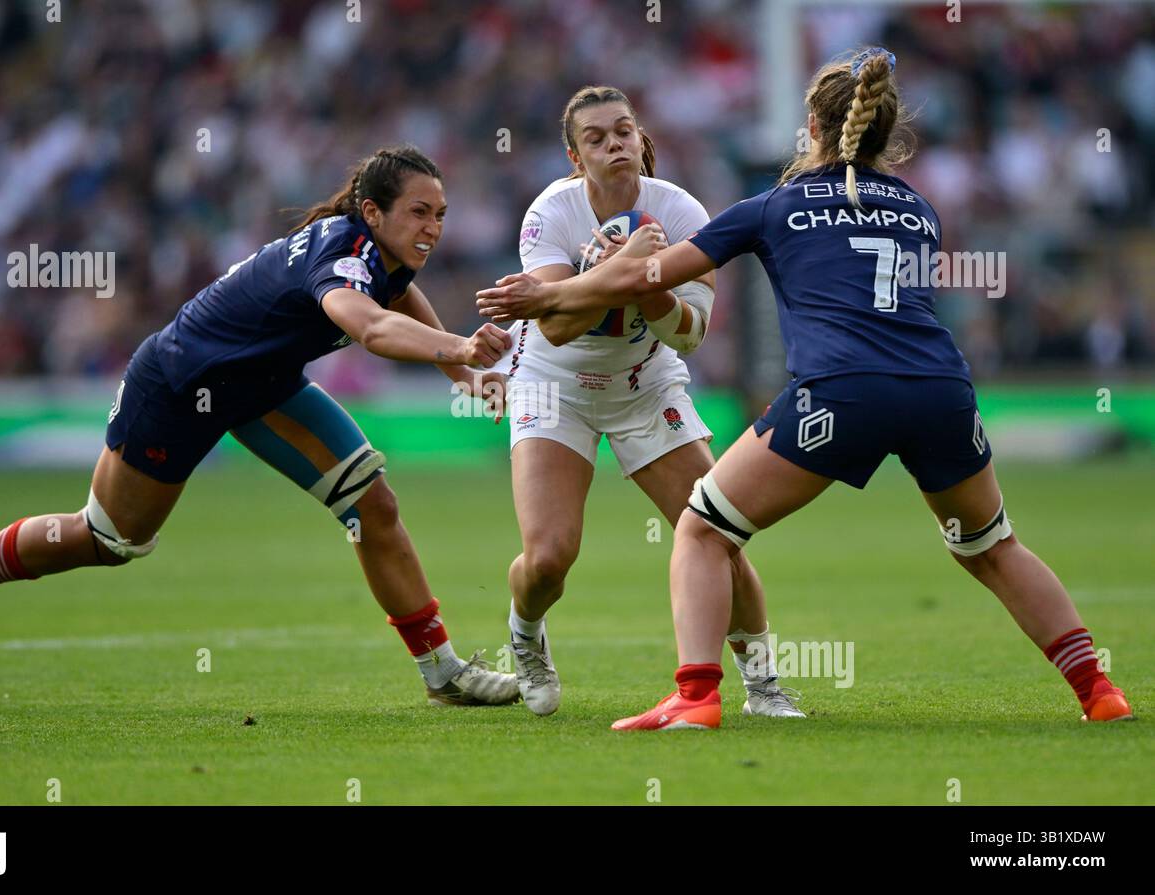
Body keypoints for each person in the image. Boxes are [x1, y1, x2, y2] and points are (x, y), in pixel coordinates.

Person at [477, 50, 1133, 728]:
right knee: (992, 546)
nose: (615, 144)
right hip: (942, 389)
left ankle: (698, 697)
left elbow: (648, 284)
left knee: (705, 528)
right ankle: (1098, 690)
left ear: (812, 130)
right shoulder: (920, 209)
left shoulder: (771, 205)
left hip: (839, 392)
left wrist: (559, 290)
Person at [0, 144, 521, 708]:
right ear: (372, 211)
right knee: (109, 539)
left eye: (440, 214)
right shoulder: (343, 251)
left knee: (371, 502)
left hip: (259, 386)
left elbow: (397, 294)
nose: (433, 229)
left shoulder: (380, 247)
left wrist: (462, 378)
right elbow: (372, 327)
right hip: (176, 385)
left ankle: (442, 671)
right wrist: (461, 352)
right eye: (420, 212)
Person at [492, 85, 801, 718]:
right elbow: (554, 327)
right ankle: (525, 634)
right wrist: (627, 268)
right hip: (556, 384)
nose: (615, 145)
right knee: (549, 557)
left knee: (720, 534)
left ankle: (764, 686)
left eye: (624, 132)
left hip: (645, 383)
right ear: (576, 158)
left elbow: (690, 332)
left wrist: (639, 283)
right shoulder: (550, 213)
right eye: (597, 139)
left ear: (641, 140)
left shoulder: (682, 213)